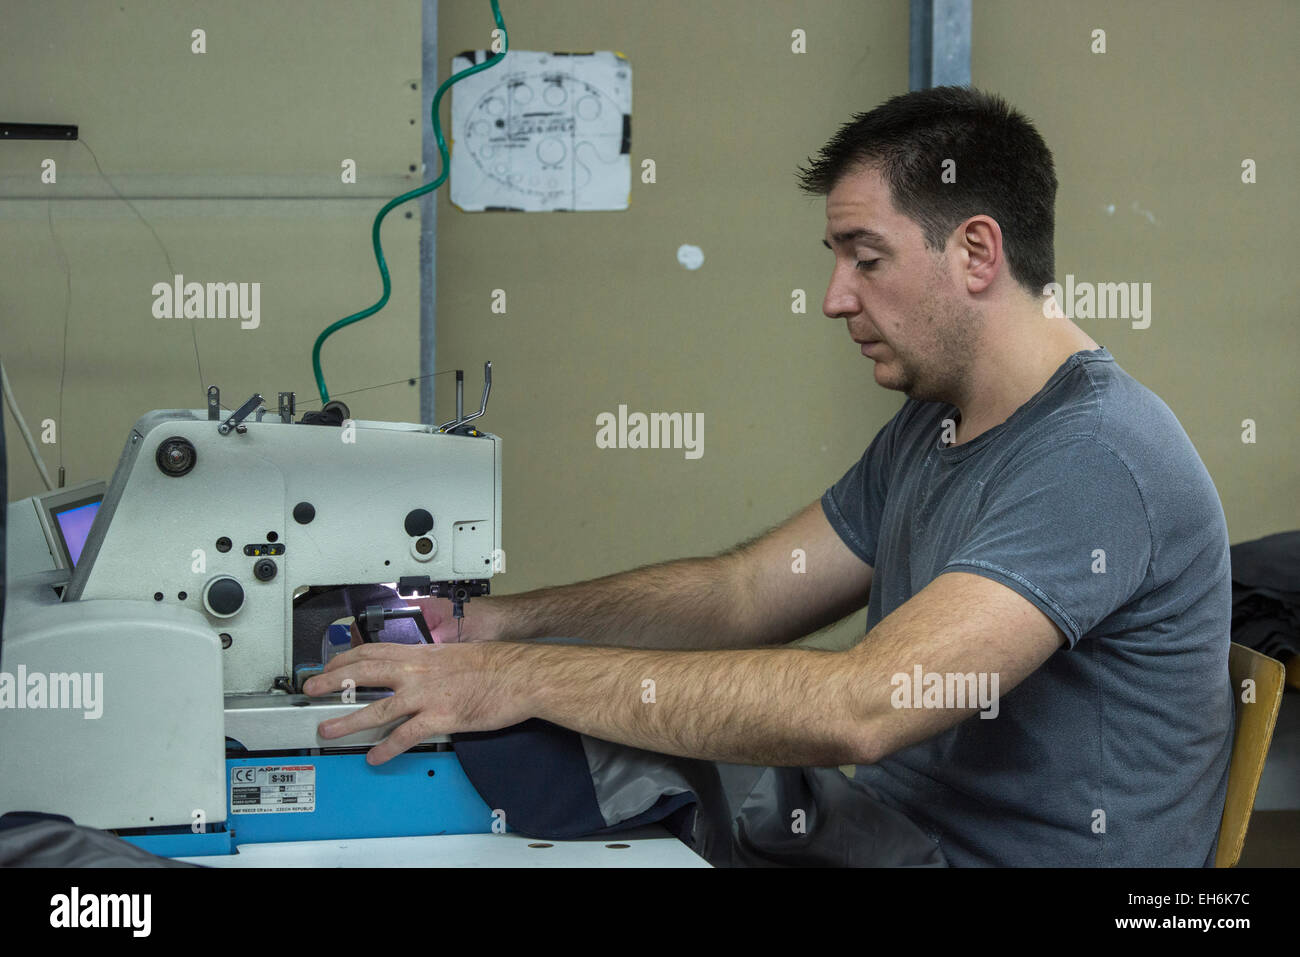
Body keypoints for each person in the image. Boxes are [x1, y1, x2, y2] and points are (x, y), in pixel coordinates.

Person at [305, 86, 1233, 867]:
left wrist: (522, 675)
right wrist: (502, 623)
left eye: (866, 260)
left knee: (632, 763)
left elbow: (863, 705)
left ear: (978, 253)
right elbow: (746, 592)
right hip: (895, 840)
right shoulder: (935, 425)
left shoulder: (1094, 457)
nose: (836, 298)